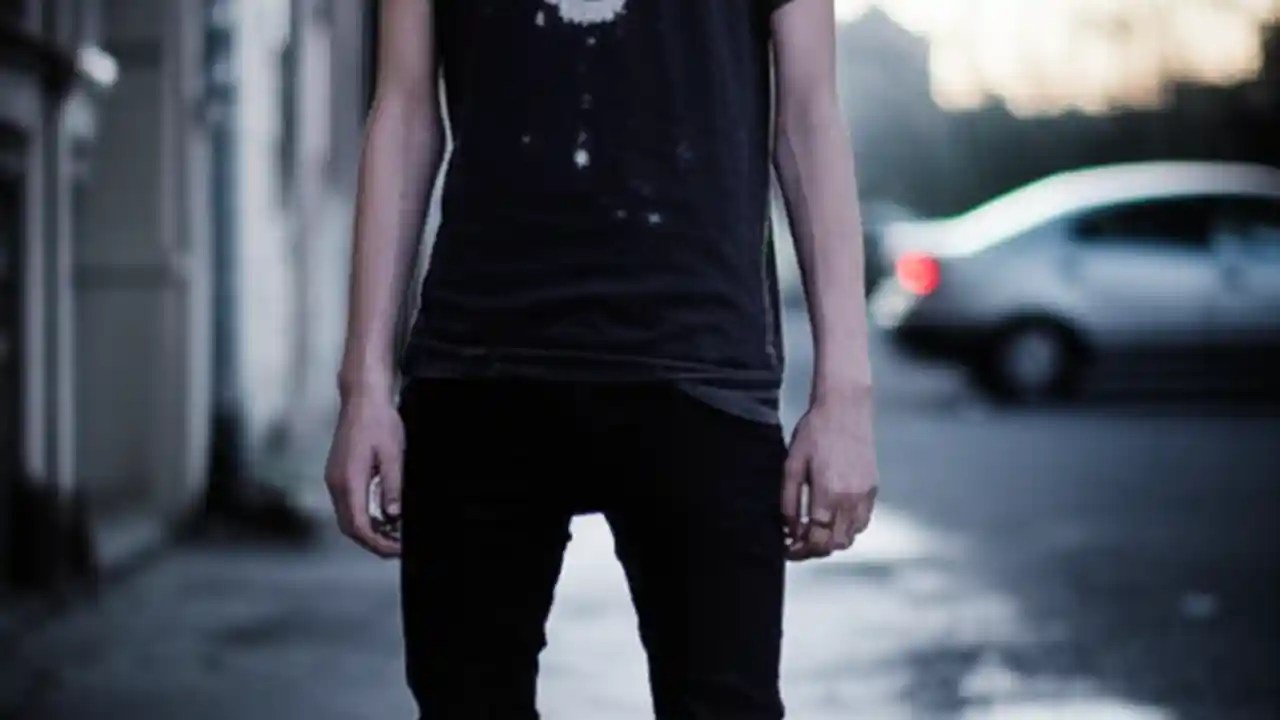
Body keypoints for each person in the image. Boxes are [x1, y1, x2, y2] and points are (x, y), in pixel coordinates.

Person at [324, 0, 879, 716]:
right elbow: (402, 108)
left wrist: (846, 396)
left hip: (701, 366)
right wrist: (363, 385)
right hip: (479, 363)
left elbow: (809, 115)